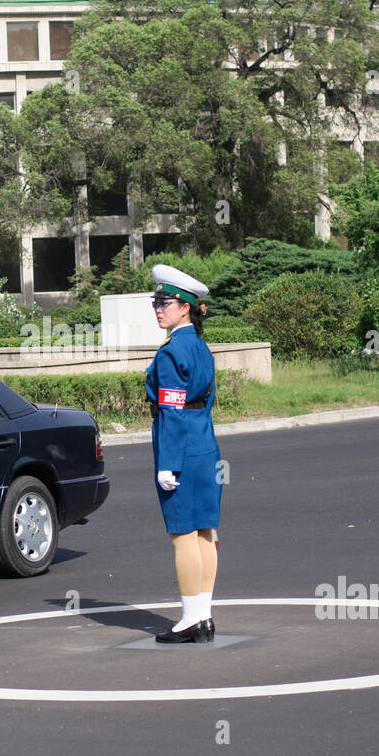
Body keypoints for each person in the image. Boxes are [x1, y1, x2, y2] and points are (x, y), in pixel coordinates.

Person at [145, 264, 223, 644]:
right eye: (155, 302)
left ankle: (191, 619)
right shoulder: (201, 347)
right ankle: (204, 616)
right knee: (205, 531)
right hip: (206, 447)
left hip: (181, 452)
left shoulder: (171, 353)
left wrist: (168, 464)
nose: (158, 308)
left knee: (183, 535)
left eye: (165, 302)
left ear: (186, 307)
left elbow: (172, 412)